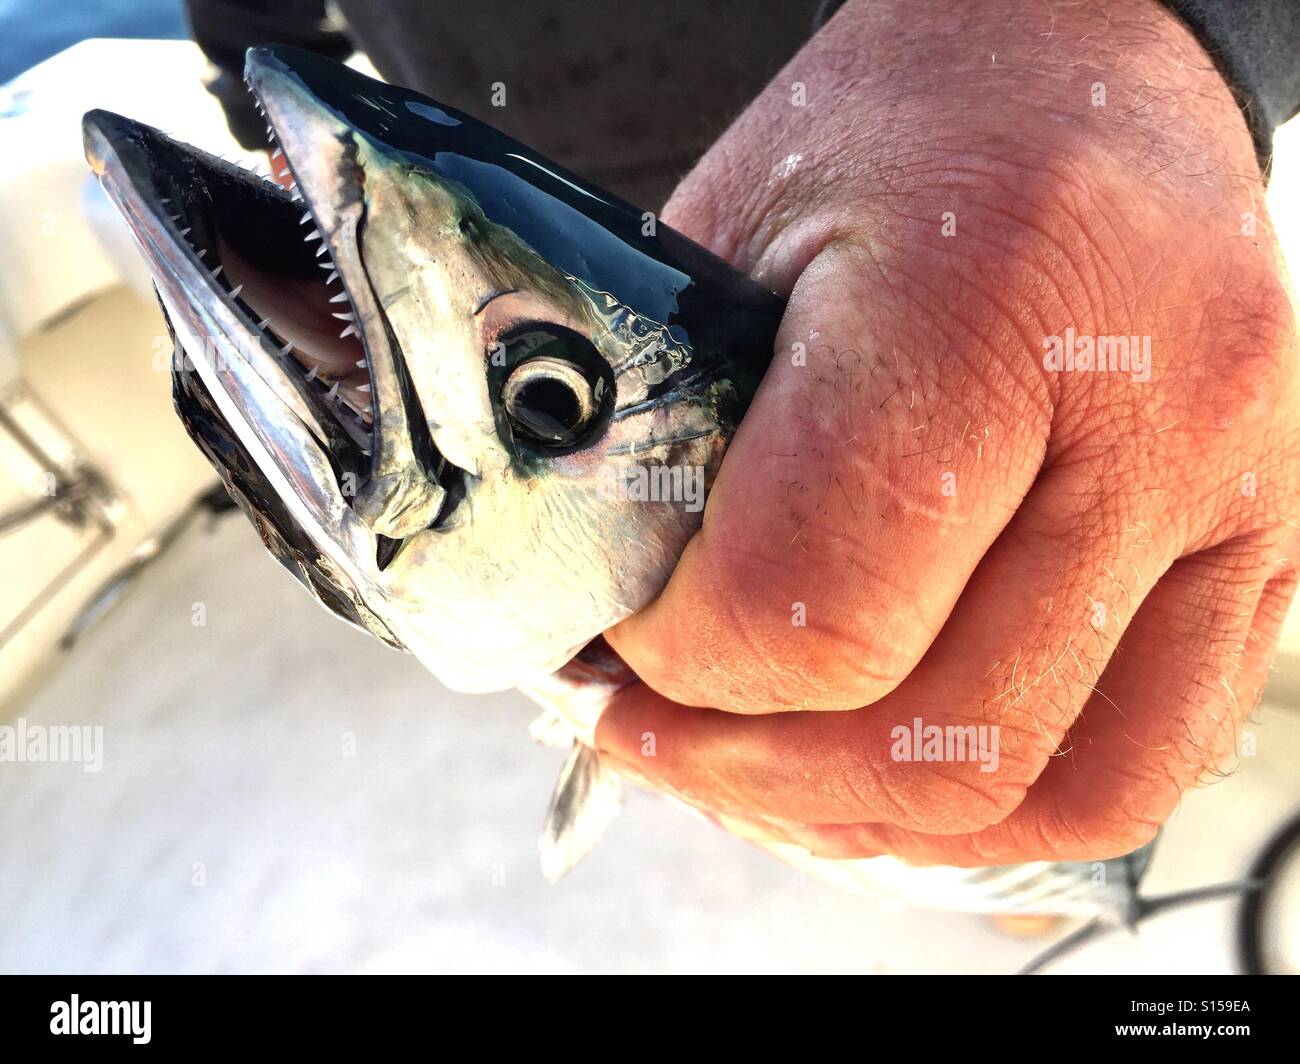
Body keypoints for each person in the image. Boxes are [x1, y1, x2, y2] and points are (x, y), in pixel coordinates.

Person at [189, 0, 1300, 869]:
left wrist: (1130, 30)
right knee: (797, 742)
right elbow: (258, 34)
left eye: (546, 405)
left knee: (1002, 689)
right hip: (518, 205)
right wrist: (273, 133)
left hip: (886, 228)